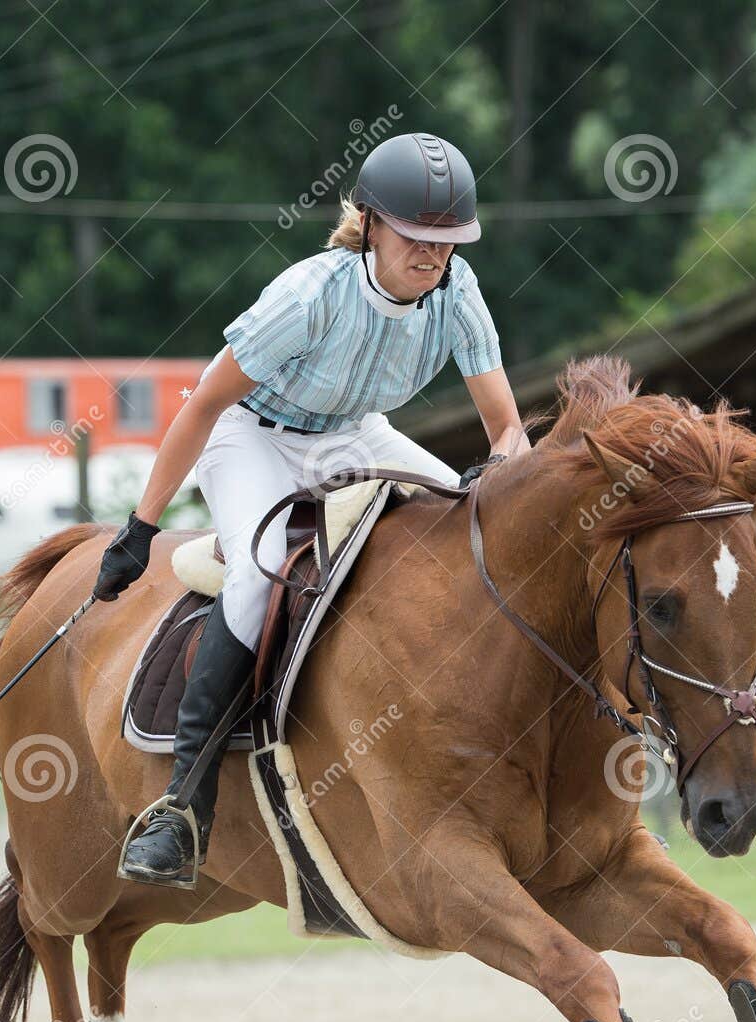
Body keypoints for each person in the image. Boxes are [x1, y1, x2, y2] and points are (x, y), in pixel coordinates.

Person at [94, 131, 530, 890]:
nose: (432, 256)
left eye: (447, 242)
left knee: (467, 527)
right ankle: (181, 809)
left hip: (354, 434)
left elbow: (507, 429)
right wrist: (142, 526)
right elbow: (202, 408)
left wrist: (501, 482)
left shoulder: (458, 293)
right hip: (250, 436)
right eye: (417, 238)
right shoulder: (308, 295)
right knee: (260, 578)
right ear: (369, 222)